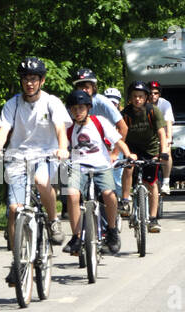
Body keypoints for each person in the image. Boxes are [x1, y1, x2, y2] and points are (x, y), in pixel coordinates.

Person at [0, 57, 69, 286]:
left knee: (42, 181)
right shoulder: (12, 104)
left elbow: (61, 129)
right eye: (26, 79)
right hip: (17, 157)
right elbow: (3, 129)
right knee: (14, 209)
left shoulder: (52, 102)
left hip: (46, 154)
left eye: (34, 79)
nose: (29, 83)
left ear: (41, 80)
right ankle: (17, 261)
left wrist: (63, 148)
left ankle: (53, 220)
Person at [63, 88, 133, 255]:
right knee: (72, 194)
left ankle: (112, 231)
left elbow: (118, 141)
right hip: (78, 166)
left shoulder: (99, 121)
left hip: (101, 166)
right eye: (73, 109)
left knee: (109, 194)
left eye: (81, 108)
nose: (77, 112)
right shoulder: (68, 128)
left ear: (88, 108)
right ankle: (76, 237)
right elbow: (61, 146)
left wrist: (128, 154)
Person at [119, 81, 169, 232]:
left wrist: (164, 151)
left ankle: (153, 219)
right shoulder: (125, 114)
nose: (137, 99)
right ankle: (125, 201)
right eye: (134, 96)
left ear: (146, 98)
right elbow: (120, 135)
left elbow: (161, 133)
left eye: (140, 96)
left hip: (151, 149)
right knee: (129, 168)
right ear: (130, 98)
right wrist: (124, 152)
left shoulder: (153, 111)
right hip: (132, 148)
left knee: (152, 183)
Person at [147, 81, 175, 194]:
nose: (153, 95)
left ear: (159, 94)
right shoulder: (143, 103)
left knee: (167, 152)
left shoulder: (165, 104)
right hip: (148, 134)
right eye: (150, 93)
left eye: (156, 93)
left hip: (162, 133)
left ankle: (166, 182)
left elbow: (168, 122)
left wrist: (169, 138)